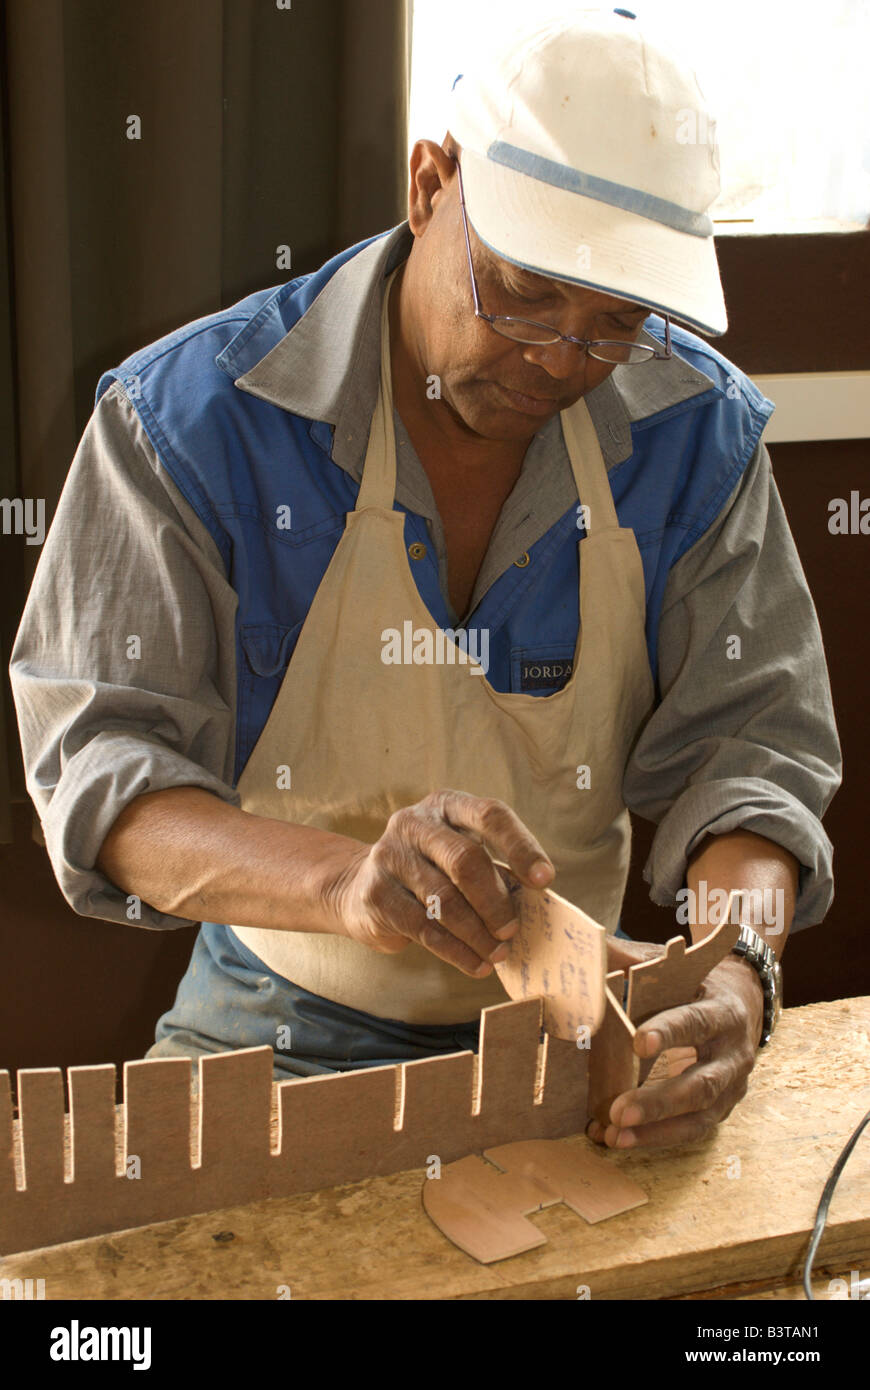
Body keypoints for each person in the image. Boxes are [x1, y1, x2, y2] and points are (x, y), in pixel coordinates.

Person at [9, 8, 841, 1151]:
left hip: (578, 1033)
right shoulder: (195, 425)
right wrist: (350, 883)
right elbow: (103, 777)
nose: (560, 360)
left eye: (614, 324)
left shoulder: (693, 436)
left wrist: (739, 962)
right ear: (431, 183)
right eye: (523, 292)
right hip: (277, 1018)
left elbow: (753, 754)